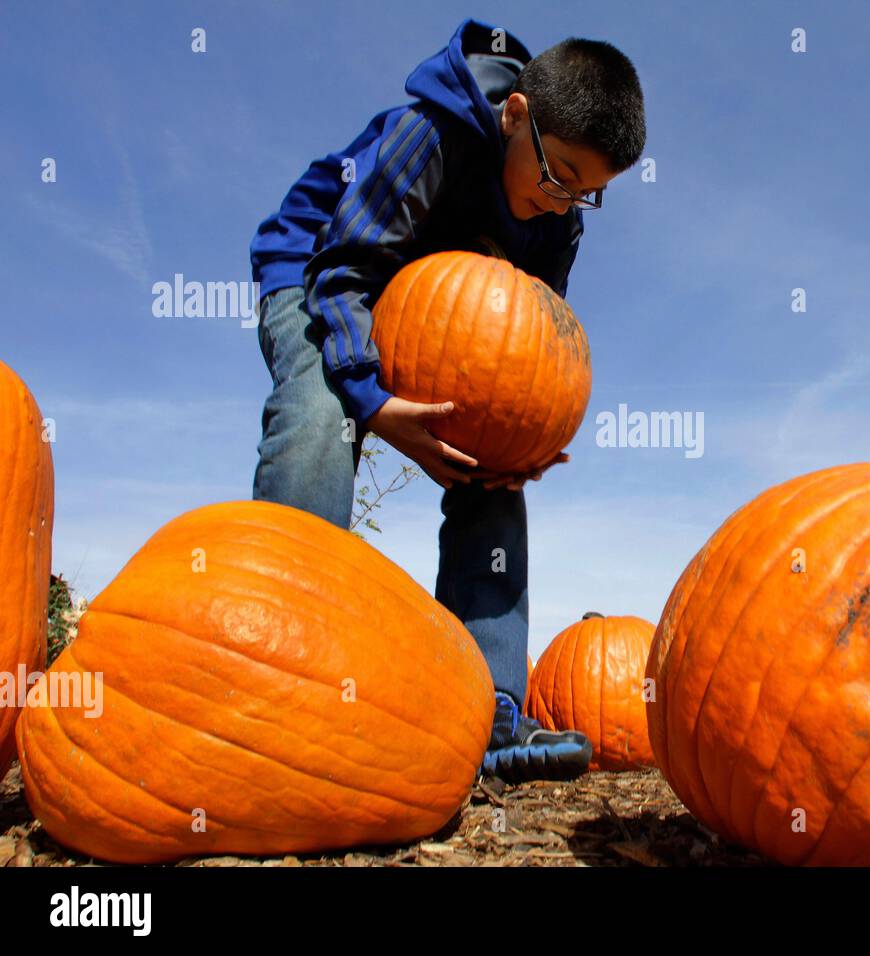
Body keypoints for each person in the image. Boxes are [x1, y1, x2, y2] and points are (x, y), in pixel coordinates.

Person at [248, 16, 646, 783]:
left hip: (432, 319)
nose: (566, 204)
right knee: (319, 417)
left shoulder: (559, 221)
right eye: (558, 175)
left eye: (589, 195)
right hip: (323, 276)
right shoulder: (425, 135)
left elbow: (531, 331)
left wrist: (525, 434)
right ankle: (279, 664)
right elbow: (344, 271)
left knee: (490, 473)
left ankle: (488, 705)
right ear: (517, 116)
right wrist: (370, 400)